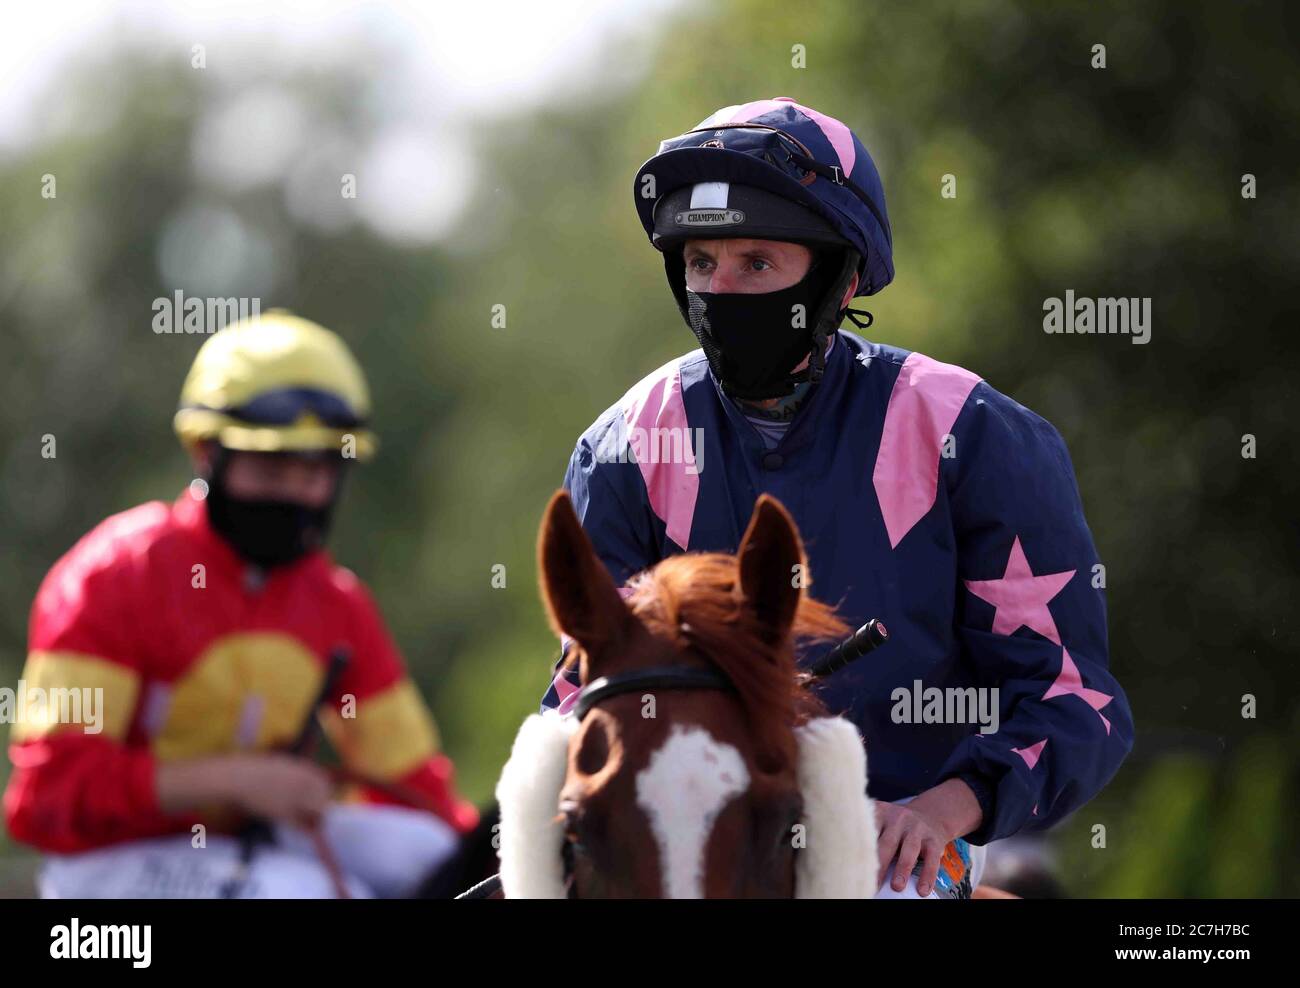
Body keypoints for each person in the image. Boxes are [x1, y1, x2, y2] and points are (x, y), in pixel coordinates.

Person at [540, 98, 1133, 899]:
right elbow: (583, 686)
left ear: (840, 275)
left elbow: (1073, 698)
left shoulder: (974, 431)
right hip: (687, 841)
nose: (720, 288)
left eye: (757, 263)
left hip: (902, 841)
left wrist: (939, 811)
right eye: (701, 262)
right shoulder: (625, 445)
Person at [5, 311, 477, 898]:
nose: (295, 492)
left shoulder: (336, 601)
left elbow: (413, 785)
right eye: (271, 465)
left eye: (316, 471)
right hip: (104, 865)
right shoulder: (113, 577)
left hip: (255, 837)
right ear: (207, 452)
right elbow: (47, 798)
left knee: (441, 859)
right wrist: (236, 781)